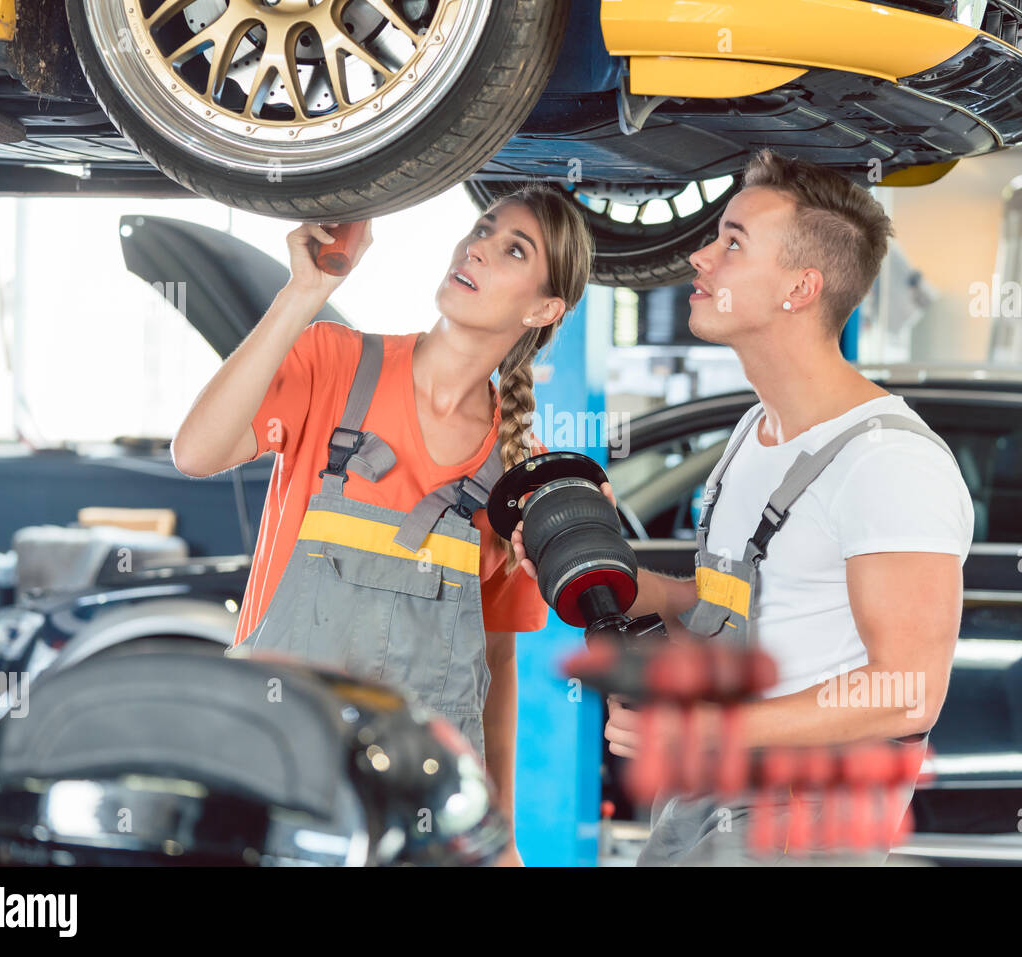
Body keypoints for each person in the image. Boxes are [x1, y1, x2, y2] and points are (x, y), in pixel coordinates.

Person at [513, 149, 975, 866]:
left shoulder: (888, 461)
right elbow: (746, 599)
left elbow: (908, 691)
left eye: (732, 242)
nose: (699, 258)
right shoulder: (756, 432)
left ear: (800, 287)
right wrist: (629, 576)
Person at [172, 185, 595, 866]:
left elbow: (496, 663)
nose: (477, 246)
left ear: (544, 308)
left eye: (512, 248)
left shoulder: (520, 473)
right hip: (276, 786)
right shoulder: (337, 363)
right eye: (482, 229)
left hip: (413, 819)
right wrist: (300, 293)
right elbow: (195, 451)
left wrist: (501, 833)